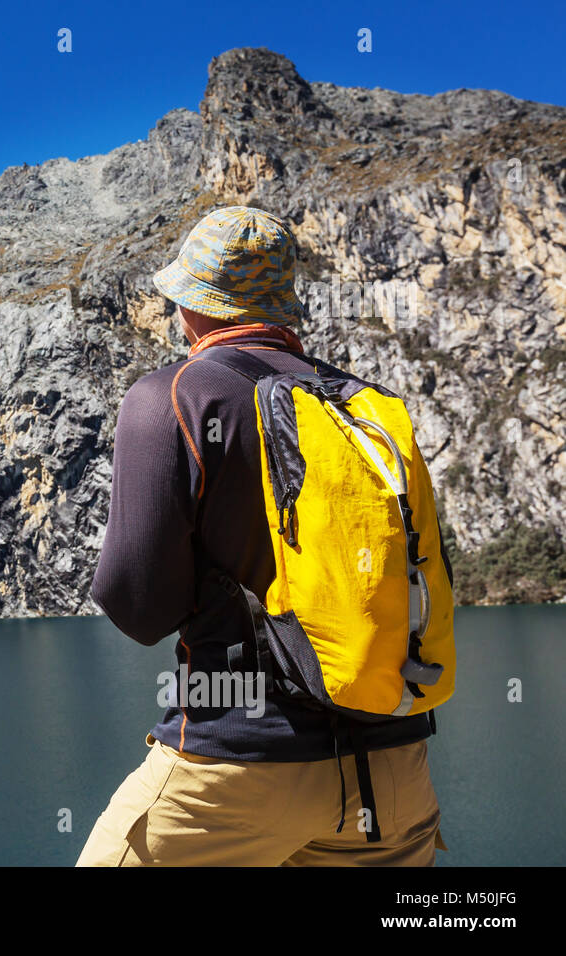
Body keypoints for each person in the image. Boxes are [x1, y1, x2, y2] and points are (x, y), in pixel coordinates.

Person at [76, 206, 445, 866]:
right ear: (284, 309)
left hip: (233, 772)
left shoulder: (176, 395)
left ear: (193, 306)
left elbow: (137, 605)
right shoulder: (368, 406)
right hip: (392, 773)